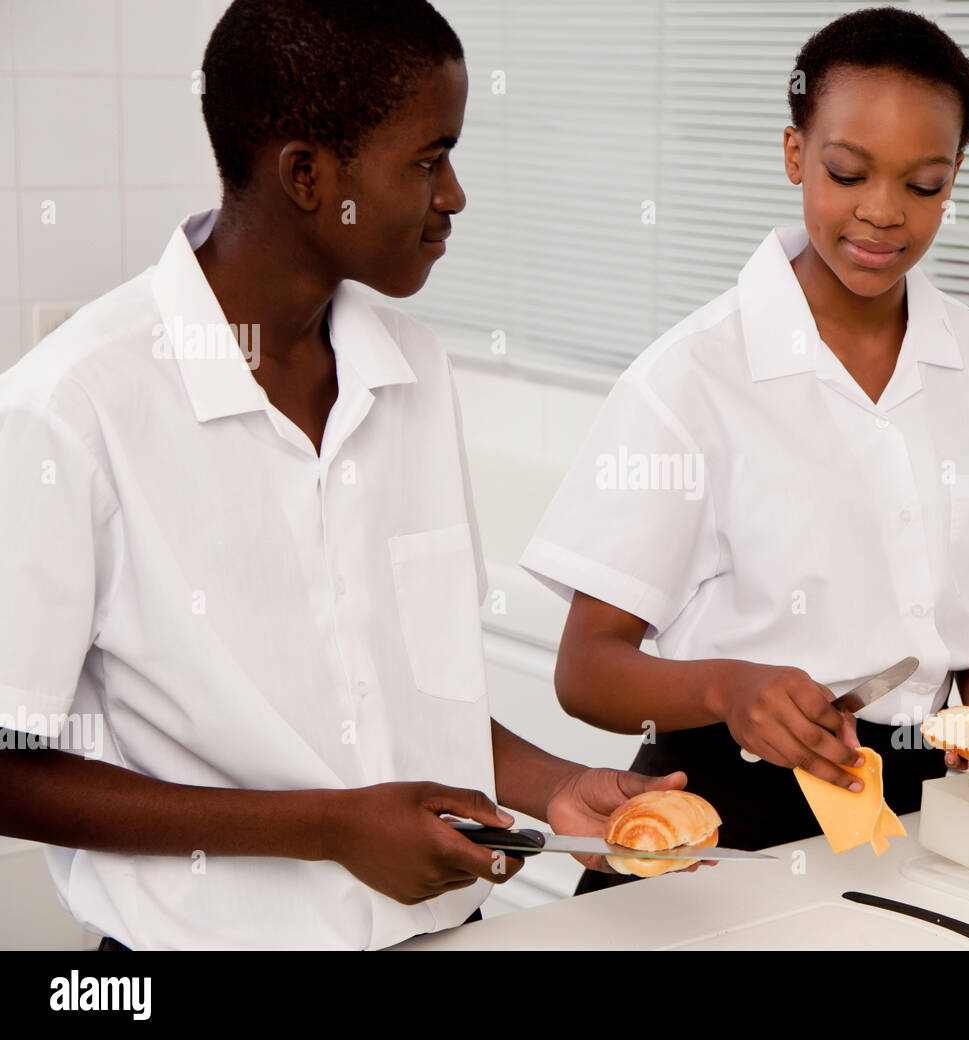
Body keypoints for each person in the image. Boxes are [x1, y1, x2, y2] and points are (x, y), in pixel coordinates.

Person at [0, 0, 690, 951]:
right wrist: (331, 831)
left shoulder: (412, 371)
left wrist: (553, 787)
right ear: (307, 176)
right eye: (427, 160)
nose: (454, 195)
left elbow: (390, 700)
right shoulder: (70, 409)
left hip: (441, 932)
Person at [519, 7, 969, 896]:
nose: (882, 212)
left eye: (925, 184)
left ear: (955, 180)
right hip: (712, 822)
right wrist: (728, 690)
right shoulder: (691, 379)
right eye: (846, 171)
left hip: (910, 819)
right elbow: (585, 669)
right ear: (796, 154)